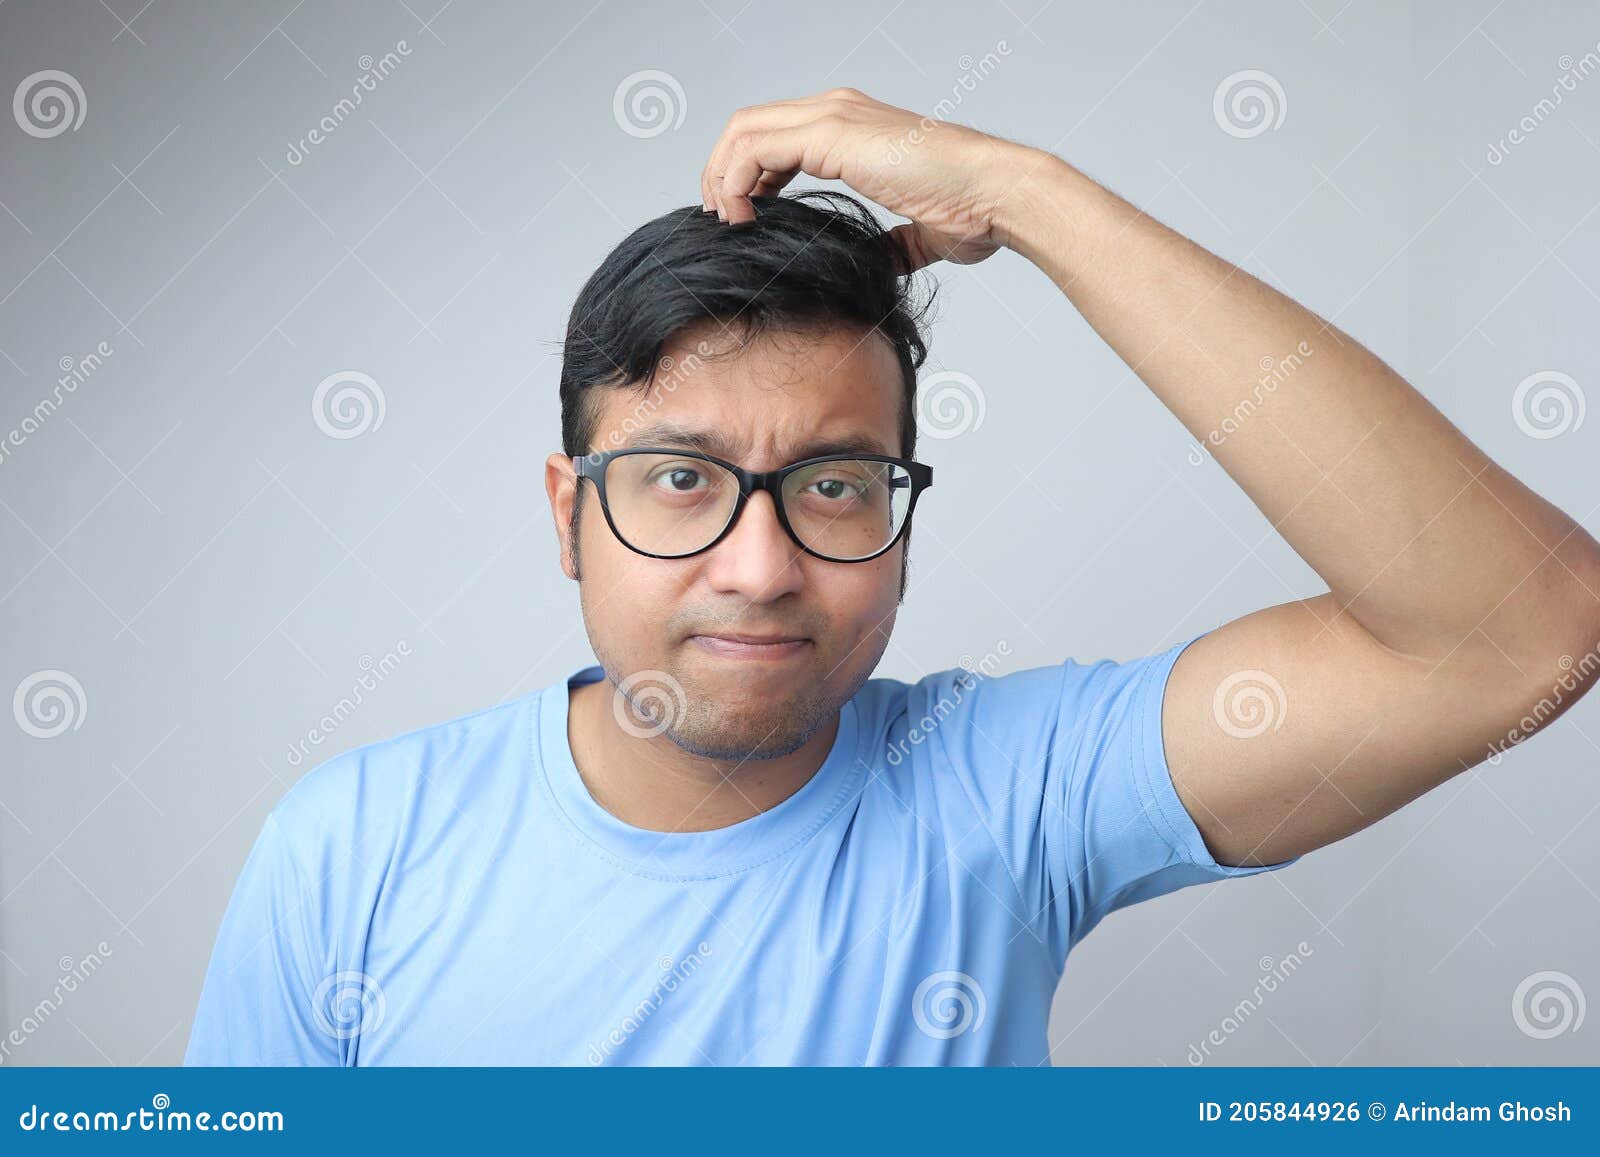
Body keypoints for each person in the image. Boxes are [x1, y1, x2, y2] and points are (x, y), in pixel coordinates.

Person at [183, 88, 1600, 1066]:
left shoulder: (1000, 788)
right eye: (681, 478)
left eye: (833, 486)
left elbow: (1518, 633)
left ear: (903, 518)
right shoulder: (351, 852)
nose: (759, 566)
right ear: (568, 517)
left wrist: (1030, 196)